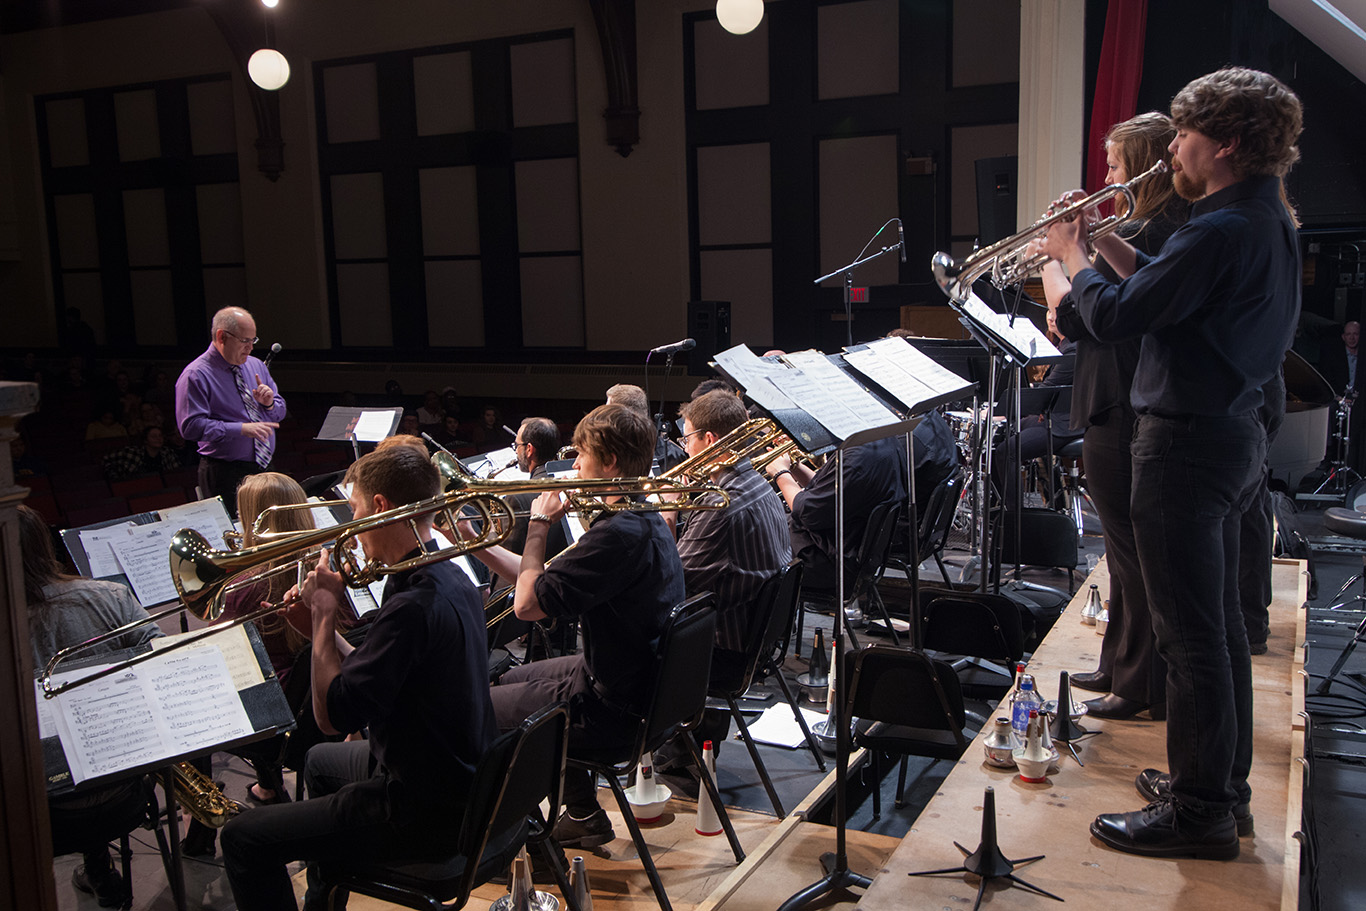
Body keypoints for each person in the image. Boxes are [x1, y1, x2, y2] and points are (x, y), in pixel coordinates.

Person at [1039, 66, 1303, 860]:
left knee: (1190, 637)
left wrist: (1068, 257)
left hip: (1185, 445)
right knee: (1218, 631)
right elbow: (1163, 291)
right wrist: (1105, 241)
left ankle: (1199, 813)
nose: (1173, 150)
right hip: (1227, 436)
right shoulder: (1260, 219)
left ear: (1222, 143)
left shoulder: (1218, 228)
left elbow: (1116, 315)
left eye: (1183, 136)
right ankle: (1220, 786)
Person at [221, 444, 496, 911]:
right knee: (321, 763)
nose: (351, 525)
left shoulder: (411, 605)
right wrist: (316, 636)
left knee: (242, 837)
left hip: (422, 808)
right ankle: (326, 894)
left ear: (381, 506)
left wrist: (326, 616)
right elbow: (380, 668)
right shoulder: (445, 577)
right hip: (467, 779)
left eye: (354, 508)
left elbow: (334, 716)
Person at [468, 403, 685, 849]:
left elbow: (527, 605)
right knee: (508, 676)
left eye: (581, 455)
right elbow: (542, 579)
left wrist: (539, 523)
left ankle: (516, 837)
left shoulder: (615, 535)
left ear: (608, 463)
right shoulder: (643, 518)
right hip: (634, 685)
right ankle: (584, 814)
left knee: (480, 711)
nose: (574, 467)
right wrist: (476, 545)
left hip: (613, 710)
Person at [1040, 111, 1189, 720]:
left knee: (1132, 553)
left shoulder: (1158, 231)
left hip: (1125, 399)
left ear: (1146, 165)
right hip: (1115, 395)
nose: (1106, 177)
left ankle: (1139, 683)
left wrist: (1056, 260)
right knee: (1121, 553)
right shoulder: (1144, 229)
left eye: (1114, 166)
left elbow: (1078, 316)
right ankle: (1119, 664)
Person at [20, 504, 162, 907]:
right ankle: (99, 868)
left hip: (41, 818)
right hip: (127, 796)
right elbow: (163, 657)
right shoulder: (110, 596)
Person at [655, 390, 791, 784]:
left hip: (725, 650)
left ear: (709, 441)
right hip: (759, 636)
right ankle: (685, 736)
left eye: (687, 439)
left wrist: (668, 508)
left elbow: (671, 581)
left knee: (623, 627)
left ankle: (653, 738)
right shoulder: (759, 483)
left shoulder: (722, 503)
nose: (685, 448)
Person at [175, 306, 286, 518]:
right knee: (236, 536)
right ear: (221, 337)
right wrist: (240, 429)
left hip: (264, 466)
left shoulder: (255, 366)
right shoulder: (195, 375)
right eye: (245, 341)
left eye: (254, 340)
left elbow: (279, 412)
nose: (250, 348)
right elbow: (190, 427)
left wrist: (269, 404)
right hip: (225, 472)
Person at [606, 382, 687, 470]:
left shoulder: (673, 455)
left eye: (608, 410)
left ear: (624, 416)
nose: (605, 415)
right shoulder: (605, 448)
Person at [102, 426, 182, 481]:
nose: (158, 439)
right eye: (154, 436)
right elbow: (106, 459)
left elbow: (177, 473)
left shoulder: (168, 453)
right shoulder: (131, 453)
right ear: (145, 440)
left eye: (160, 436)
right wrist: (115, 477)